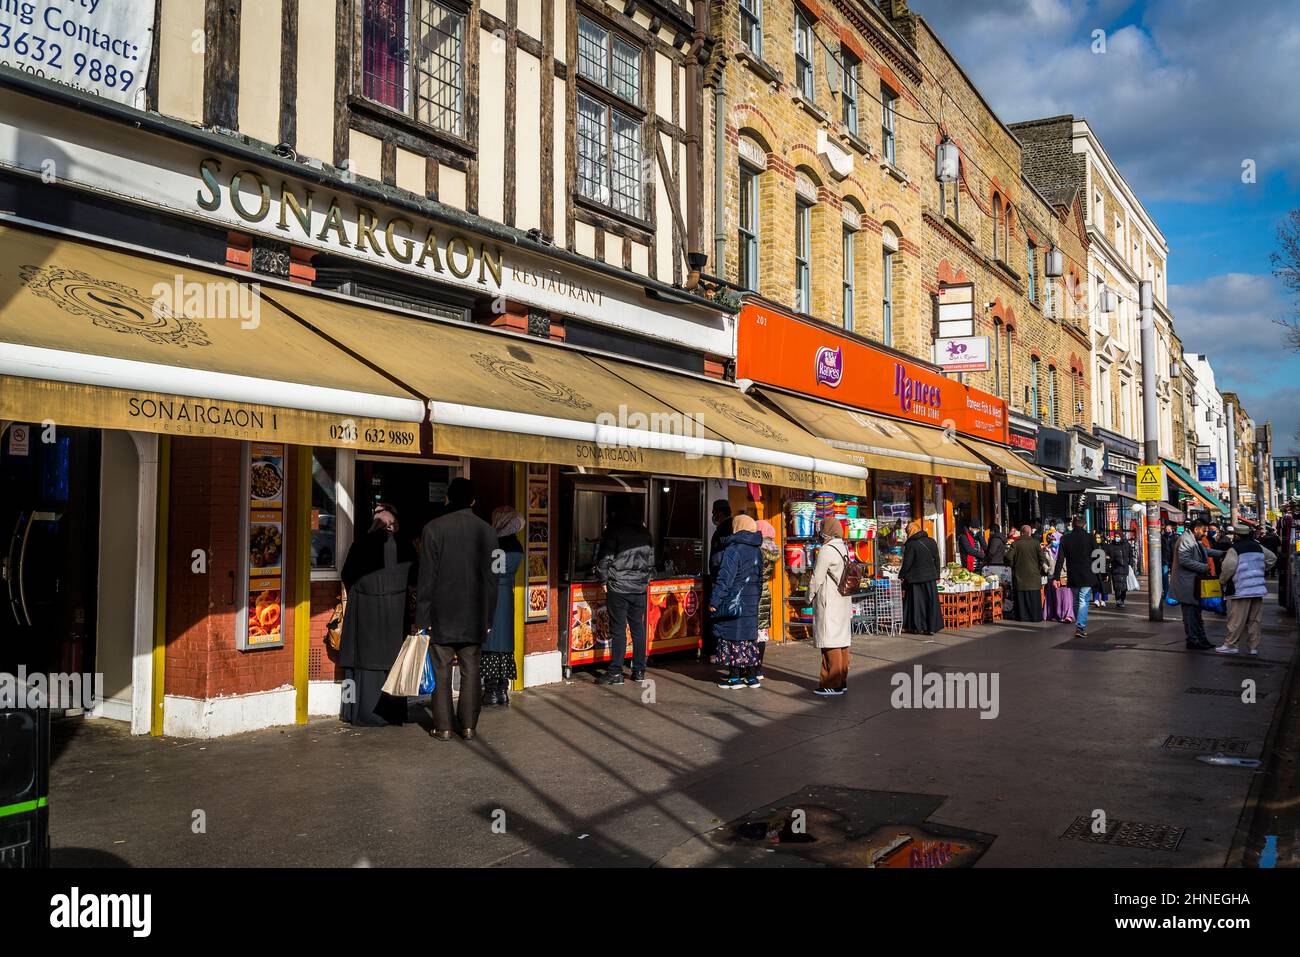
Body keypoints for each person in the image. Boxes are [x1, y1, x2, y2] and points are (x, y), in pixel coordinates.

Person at [416, 477, 500, 741]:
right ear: (473, 501)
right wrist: (488, 616)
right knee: (471, 671)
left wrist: (422, 617)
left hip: (442, 614)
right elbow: (492, 579)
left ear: (447, 498)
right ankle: (468, 726)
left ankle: (443, 727)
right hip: (474, 615)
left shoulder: (433, 529)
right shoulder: (488, 531)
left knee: (441, 670)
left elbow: (426, 577)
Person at [338, 504, 417, 726]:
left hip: (366, 612)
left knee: (364, 660)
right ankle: (394, 714)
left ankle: (364, 713)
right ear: (392, 525)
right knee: (394, 661)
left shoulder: (361, 544)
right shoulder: (405, 545)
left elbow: (347, 574)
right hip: (396, 613)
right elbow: (415, 576)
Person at [593, 493, 654, 686]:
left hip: (619, 587)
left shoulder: (614, 530)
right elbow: (651, 562)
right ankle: (639, 671)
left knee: (618, 630)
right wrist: (645, 581)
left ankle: (616, 672)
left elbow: (604, 559)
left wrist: (603, 579)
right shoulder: (645, 533)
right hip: (639, 589)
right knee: (638, 629)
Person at [710, 513, 765, 690]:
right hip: (751, 600)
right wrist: (756, 597)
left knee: (732, 636)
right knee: (748, 638)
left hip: (734, 600)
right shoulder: (757, 550)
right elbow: (760, 579)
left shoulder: (733, 550)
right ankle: (751, 677)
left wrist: (714, 600)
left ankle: (735, 678)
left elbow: (725, 579)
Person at [482, 505, 524, 708]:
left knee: (490, 643)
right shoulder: (517, 546)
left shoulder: (493, 545)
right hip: (507, 594)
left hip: (491, 594)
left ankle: (489, 691)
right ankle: (503, 690)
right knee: (505, 643)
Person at [1215, 523, 1277, 656]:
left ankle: (1231, 645)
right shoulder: (1258, 547)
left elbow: (1228, 568)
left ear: (1237, 535)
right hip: (1257, 589)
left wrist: (1222, 580)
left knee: (1236, 619)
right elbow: (1272, 558)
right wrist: (1260, 568)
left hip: (1240, 589)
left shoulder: (1234, 549)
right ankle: (1253, 647)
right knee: (1254, 620)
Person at [807, 516, 853, 695]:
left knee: (830, 641)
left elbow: (817, 578)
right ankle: (841, 680)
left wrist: (808, 596)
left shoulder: (826, 550)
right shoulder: (844, 547)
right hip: (843, 600)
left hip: (830, 601)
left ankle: (830, 684)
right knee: (842, 641)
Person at [1167, 518, 1223, 651]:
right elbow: (1184, 560)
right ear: (1196, 529)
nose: (1205, 533)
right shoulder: (1186, 540)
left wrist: (1222, 553)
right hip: (1187, 584)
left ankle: (1200, 639)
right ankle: (1193, 640)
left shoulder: (1194, 540)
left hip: (1193, 584)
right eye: (1204, 530)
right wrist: (1204, 567)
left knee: (1196, 614)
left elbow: (1205, 551)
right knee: (1191, 614)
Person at [1053, 517, 1103, 638]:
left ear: (1073, 525)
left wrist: (1056, 577)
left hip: (1073, 575)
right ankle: (1080, 627)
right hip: (1087, 574)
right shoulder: (1090, 537)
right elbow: (1098, 555)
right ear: (1084, 525)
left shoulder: (1065, 538)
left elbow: (1060, 559)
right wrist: (1102, 574)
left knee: (1076, 600)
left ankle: (1079, 624)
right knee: (1083, 600)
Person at [900, 519, 943, 635]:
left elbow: (907, 564)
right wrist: (937, 575)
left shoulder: (911, 544)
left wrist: (901, 575)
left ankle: (918, 627)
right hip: (930, 578)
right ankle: (932, 627)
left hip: (915, 580)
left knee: (917, 604)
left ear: (910, 531)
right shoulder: (931, 541)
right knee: (930, 602)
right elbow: (937, 559)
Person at [754, 519, 780, 680]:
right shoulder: (772, 550)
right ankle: (759, 668)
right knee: (762, 631)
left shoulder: (756, 550)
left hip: (753, 590)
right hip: (765, 590)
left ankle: (750, 667)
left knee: (751, 630)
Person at [1006, 524, 1046, 622]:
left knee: (1021, 599)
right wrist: (1038, 568)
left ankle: (1022, 617)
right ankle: (1035, 617)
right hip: (1034, 577)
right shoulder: (1036, 543)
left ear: (1022, 532)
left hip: (1020, 577)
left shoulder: (1015, 544)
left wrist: (1013, 566)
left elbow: (1008, 557)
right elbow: (1042, 558)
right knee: (1034, 599)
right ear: (1030, 533)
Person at [1106, 533, 1134, 609]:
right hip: (1115, 568)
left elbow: (1131, 554)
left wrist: (1130, 563)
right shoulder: (1111, 546)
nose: (1116, 538)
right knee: (1117, 586)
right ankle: (1118, 600)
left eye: (1118, 537)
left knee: (1124, 586)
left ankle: (1122, 599)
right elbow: (1107, 555)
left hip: (1125, 568)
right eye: (1115, 537)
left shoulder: (1126, 545)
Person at [1091, 531, 1109, 607]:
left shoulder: (1105, 547)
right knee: (1096, 586)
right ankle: (1096, 599)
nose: (1098, 539)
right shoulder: (1092, 547)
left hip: (1104, 569)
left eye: (1099, 537)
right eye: (1096, 538)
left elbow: (1110, 557)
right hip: (1095, 569)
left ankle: (1103, 600)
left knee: (1104, 585)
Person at [1160, 522, 1177, 596]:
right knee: (1165, 576)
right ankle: (1166, 593)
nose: (1168, 531)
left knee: (1174, 577)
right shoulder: (1162, 538)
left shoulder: (1176, 538)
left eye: (1169, 529)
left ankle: (1174, 593)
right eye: (1166, 529)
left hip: (1173, 560)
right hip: (1165, 559)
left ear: (1172, 529)